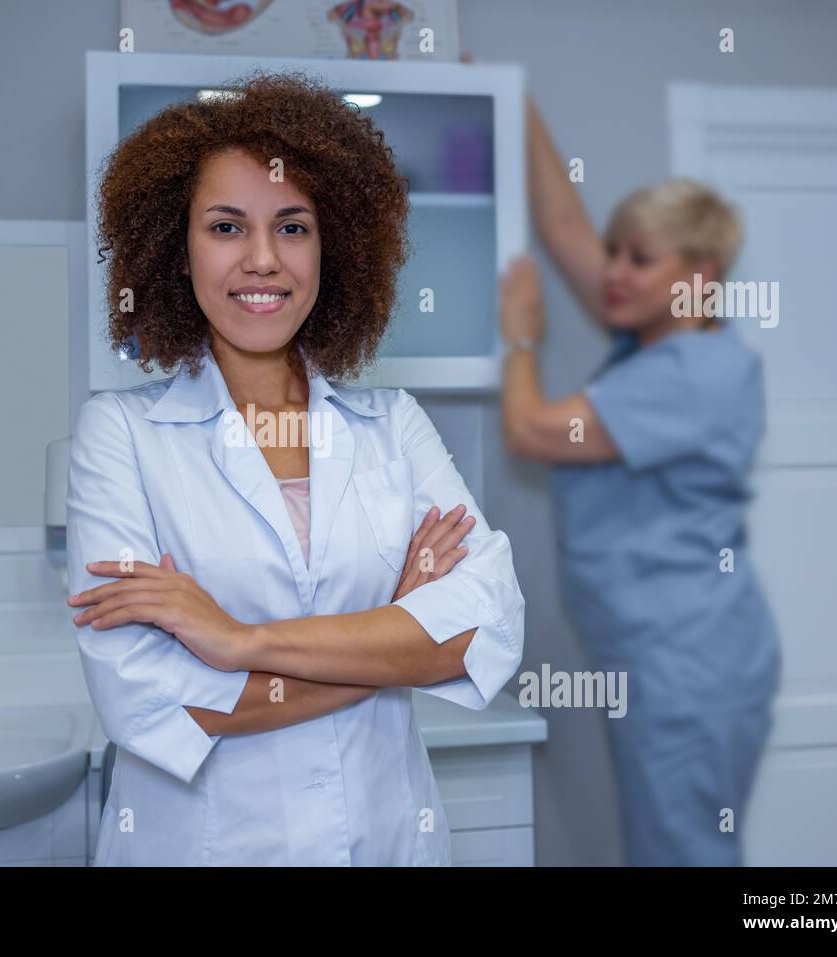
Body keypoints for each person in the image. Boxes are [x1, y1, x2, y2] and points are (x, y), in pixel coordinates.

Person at [66, 71, 526, 866]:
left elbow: (484, 629)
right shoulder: (120, 436)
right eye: (224, 227)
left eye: (291, 226)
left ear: (331, 246)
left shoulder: (393, 426)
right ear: (176, 251)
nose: (261, 260)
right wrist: (391, 638)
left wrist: (239, 640)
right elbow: (146, 701)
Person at [498, 95, 782, 866]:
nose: (614, 272)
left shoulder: (694, 371)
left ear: (699, 274)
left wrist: (521, 332)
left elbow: (529, 430)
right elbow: (564, 228)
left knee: (682, 852)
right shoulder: (656, 335)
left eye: (638, 258)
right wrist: (513, 100)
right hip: (668, 651)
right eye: (616, 251)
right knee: (672, 845)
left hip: (689, 661)